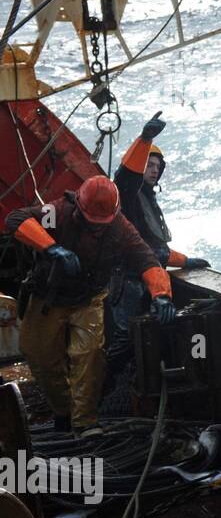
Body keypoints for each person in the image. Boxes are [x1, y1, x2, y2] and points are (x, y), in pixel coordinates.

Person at [5, 176, 176, 433]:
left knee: (90, 358)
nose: (97, 228)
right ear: (79, 208)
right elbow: (15, 219)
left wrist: (161, 295)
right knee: (39, 355)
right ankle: (64, 411)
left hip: (88, 300)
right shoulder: (58, 212)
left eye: (102, 224)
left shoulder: (121, 229)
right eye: (91, 222)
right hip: (48, 298)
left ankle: (85, 423)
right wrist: (51, 248)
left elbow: (147, 260)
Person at [104, 112, 208, 392]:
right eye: (148, 164)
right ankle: (101, 389)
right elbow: (125, 176)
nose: (153, 169)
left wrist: (185, 261)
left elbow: (156, 248)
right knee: (127, 338)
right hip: (129, 282)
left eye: (157, 165)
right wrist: (145, 139)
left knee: (151, 336)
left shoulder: (148, 199)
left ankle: (145, 386)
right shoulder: (128, 194)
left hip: (148, 279)